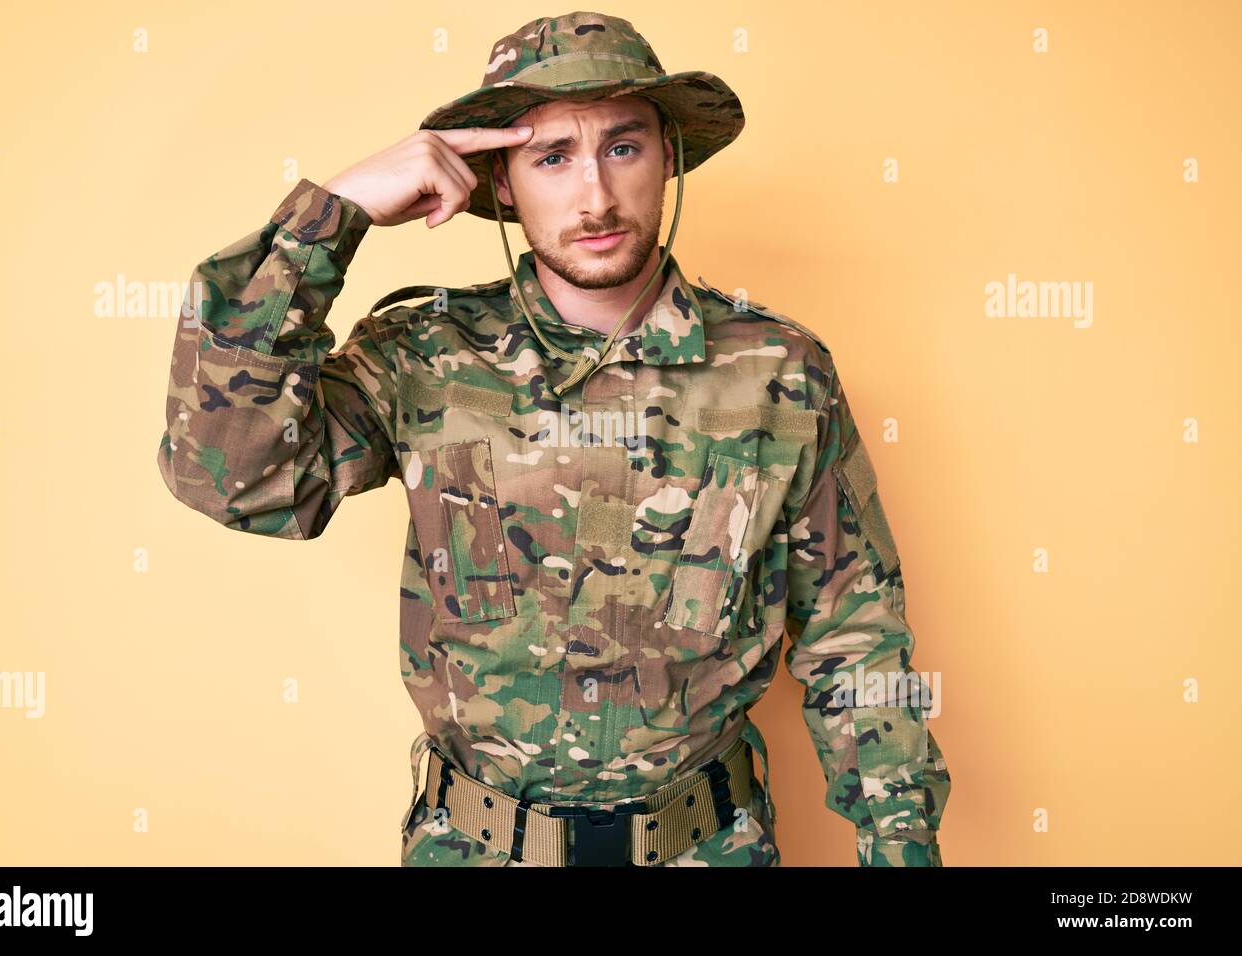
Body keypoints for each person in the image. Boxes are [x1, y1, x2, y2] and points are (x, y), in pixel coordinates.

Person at [156, 10, 950, 867]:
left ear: (670, 154)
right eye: (550, 157)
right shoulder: (423, 357)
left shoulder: (777, 371)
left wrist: (900, 847)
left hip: (709, 847)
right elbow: (232, 476)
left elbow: (855, 633)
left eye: (623, 146)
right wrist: (331, 217)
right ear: (500, 182)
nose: (596, 197)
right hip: (476, 848)